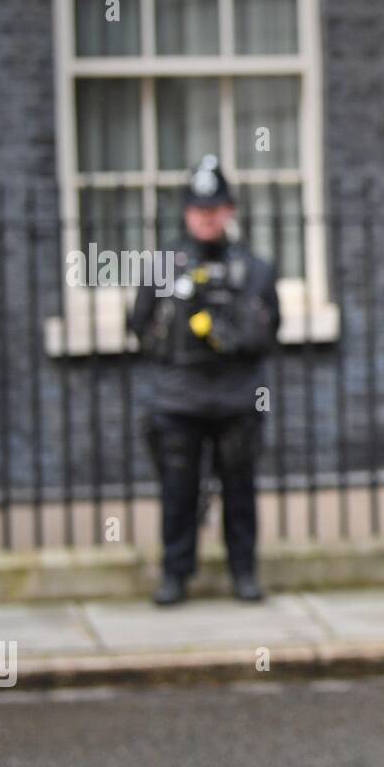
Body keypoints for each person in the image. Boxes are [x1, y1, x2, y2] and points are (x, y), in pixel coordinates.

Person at [128, 155, 281, 606]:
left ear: (230, 210)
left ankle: (244, 573)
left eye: (215, 208)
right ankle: (175, 575)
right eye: (199, 208)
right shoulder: (162, 266)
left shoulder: (255, 269)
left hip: (236, 399)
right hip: (179, 399)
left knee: (240, 490)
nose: (207, 217)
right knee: (177, 492)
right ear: (186, 212)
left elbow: (271, 331)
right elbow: (138, 325)